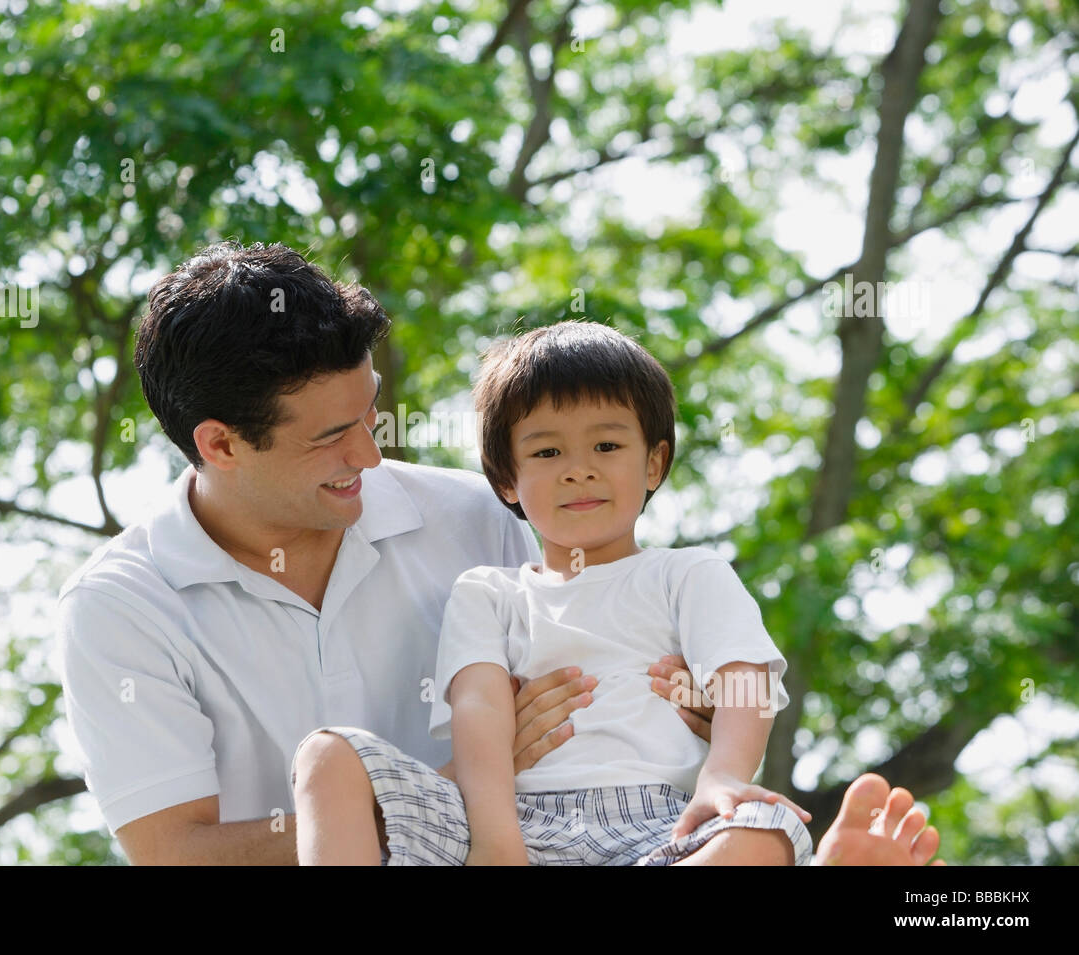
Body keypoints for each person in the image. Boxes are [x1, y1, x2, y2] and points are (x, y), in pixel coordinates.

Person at [57, 242, 669, 864]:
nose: (370, 456)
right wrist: (447, 791)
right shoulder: (121, 607)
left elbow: (592, 705)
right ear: (221, 445)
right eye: (330, 437)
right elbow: (178, 854)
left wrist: (688, 710)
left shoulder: (478, 518)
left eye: (368, 413)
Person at [290, 321, 942, 867]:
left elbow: (744, 675)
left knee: (760, 831)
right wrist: (495, 843)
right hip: (511, 823)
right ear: (507, 479)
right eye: (546, 452)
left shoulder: (689, 574)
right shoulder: (489, 593)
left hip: (660, 826)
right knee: (328, 758)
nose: (580, 467)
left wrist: (722, 772)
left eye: (607, 443)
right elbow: (480, 712)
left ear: (653, 463)